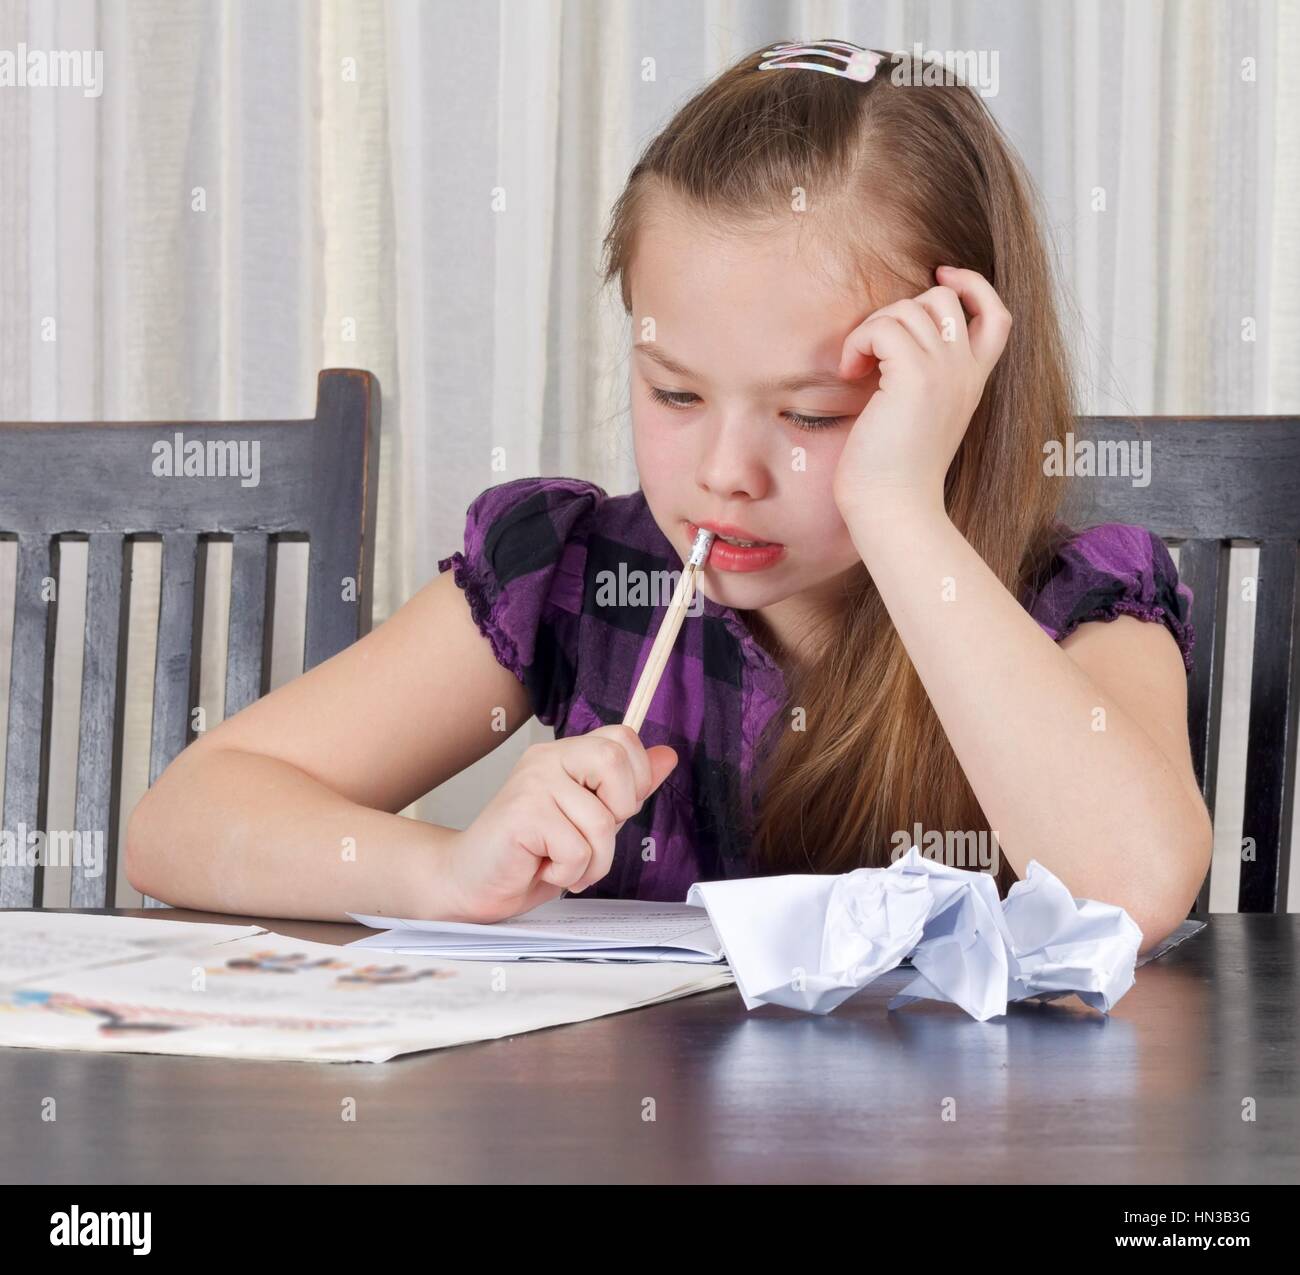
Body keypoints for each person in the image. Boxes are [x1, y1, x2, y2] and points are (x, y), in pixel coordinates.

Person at [127, 42, 1211, 954]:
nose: (723, 472)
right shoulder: (574, 574)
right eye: (675, 391)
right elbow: (182, 822)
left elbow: (1131, 888)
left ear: (955, 388)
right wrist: (449, 869)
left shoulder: (1077, 602)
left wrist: (898, 509)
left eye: (814, 414)